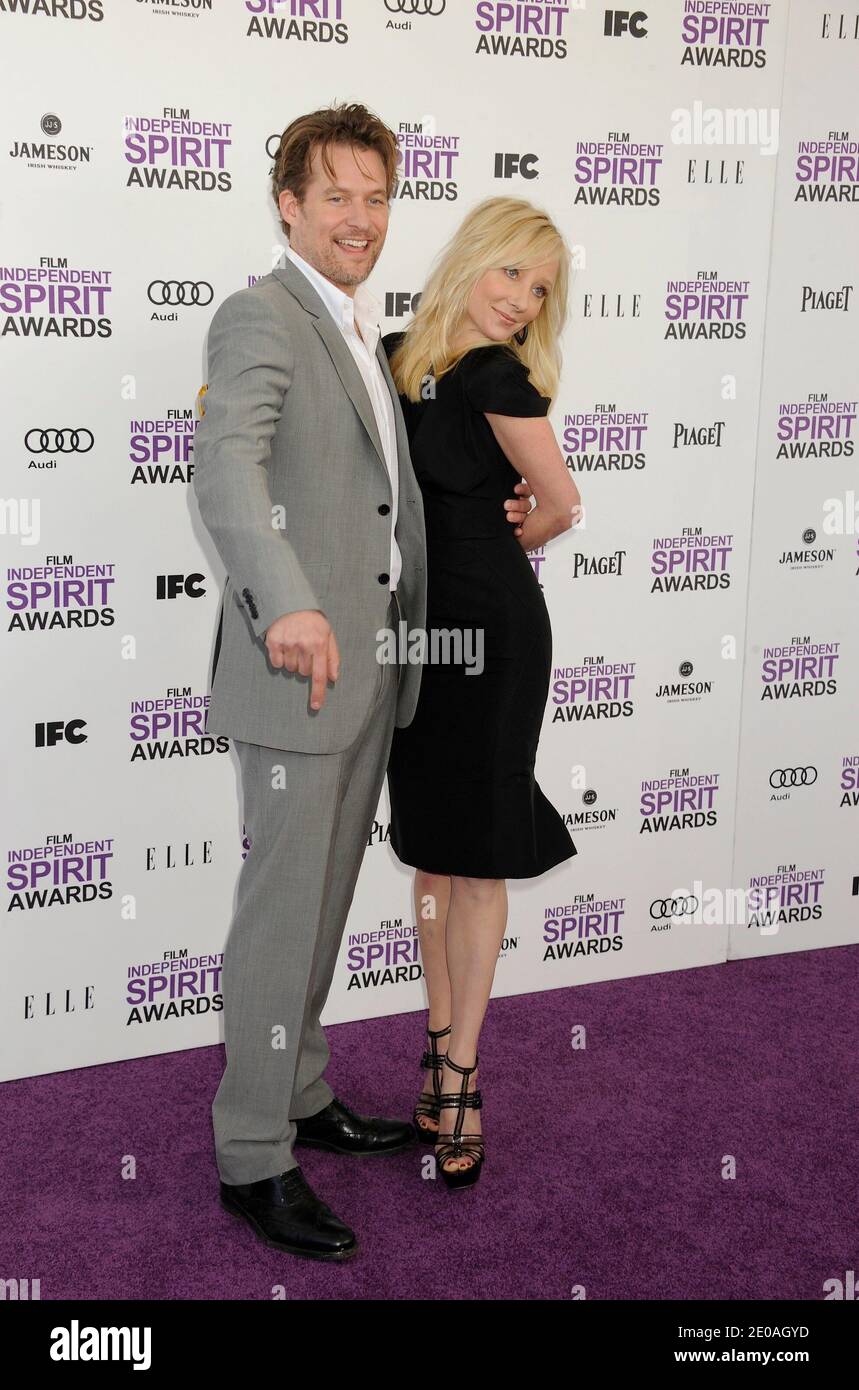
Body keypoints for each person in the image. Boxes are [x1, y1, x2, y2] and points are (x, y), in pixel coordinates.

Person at [192, 105, 533, 1259]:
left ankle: (299, 1090)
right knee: (281, 918)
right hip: (298, 672)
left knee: (325, 908)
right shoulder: (261, 315)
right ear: (287, 203)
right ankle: (251, 1154)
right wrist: (283, 598)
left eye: (376, 197)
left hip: (376, 675)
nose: (359, 218)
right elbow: (225, 463)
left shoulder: (363, 327)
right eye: (334, 194)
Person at [382, 196, 581, 1190]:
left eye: (539, 288)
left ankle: (462, 1069)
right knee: (430, 849)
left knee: (478, 857)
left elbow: (561, 504)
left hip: (494, 638)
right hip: (418, 634)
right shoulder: (392, 360)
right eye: (511, 273)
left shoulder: (499, 377)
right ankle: (433, 1040)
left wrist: (499, 540)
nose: (520, 300)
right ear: (470, 261)